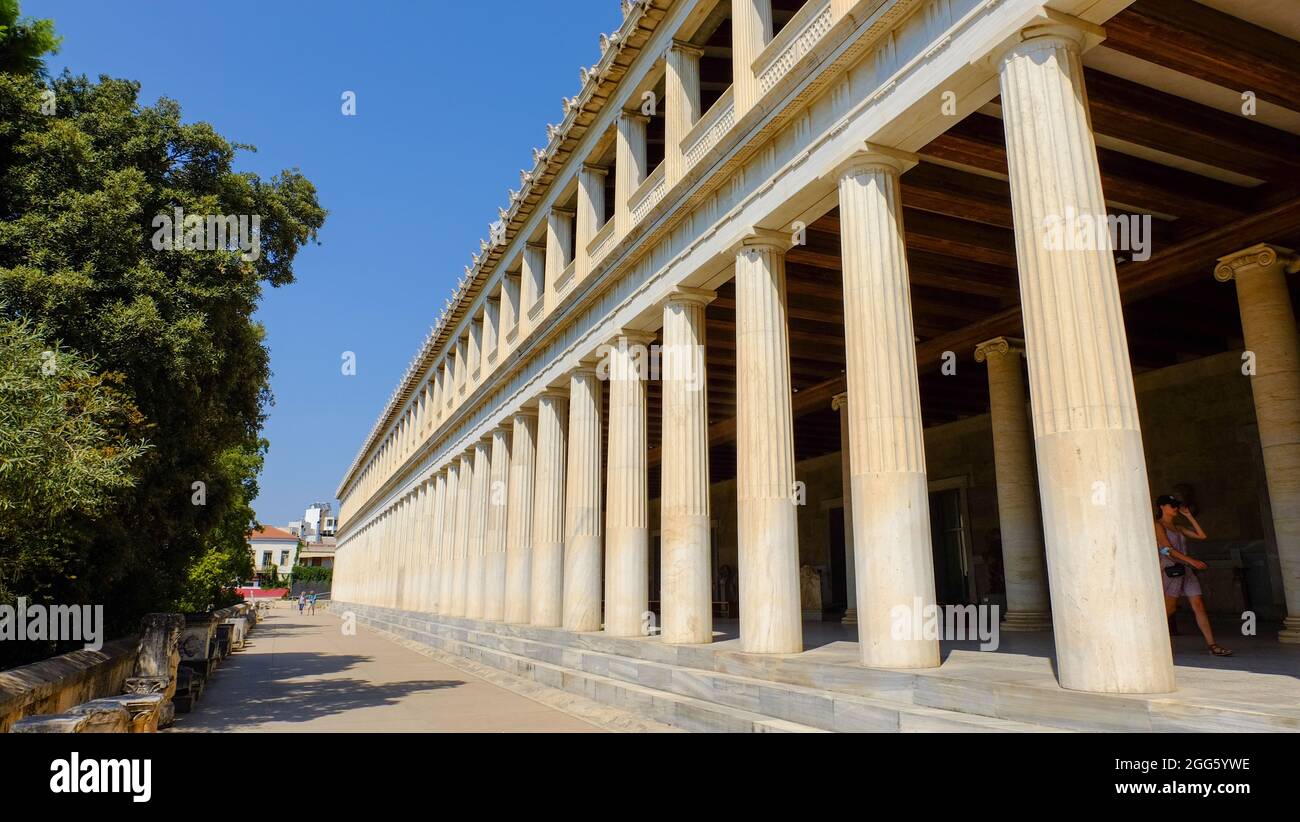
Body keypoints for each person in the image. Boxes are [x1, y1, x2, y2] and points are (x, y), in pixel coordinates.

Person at [1154, 494, 1232, 656]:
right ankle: (1151, 641)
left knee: (1198, 604)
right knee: (1170, 608)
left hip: (1186, 570)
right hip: (1171, 569)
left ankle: (1212, 644)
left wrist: (1189, 516)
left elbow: (1202, 535)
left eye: (1176, 505)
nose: (1175, 508)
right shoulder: (1158, 526)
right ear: (1162, 507)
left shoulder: (1178, 527)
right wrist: (1191, 561)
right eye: (1172, 505)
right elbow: (1167, 549)